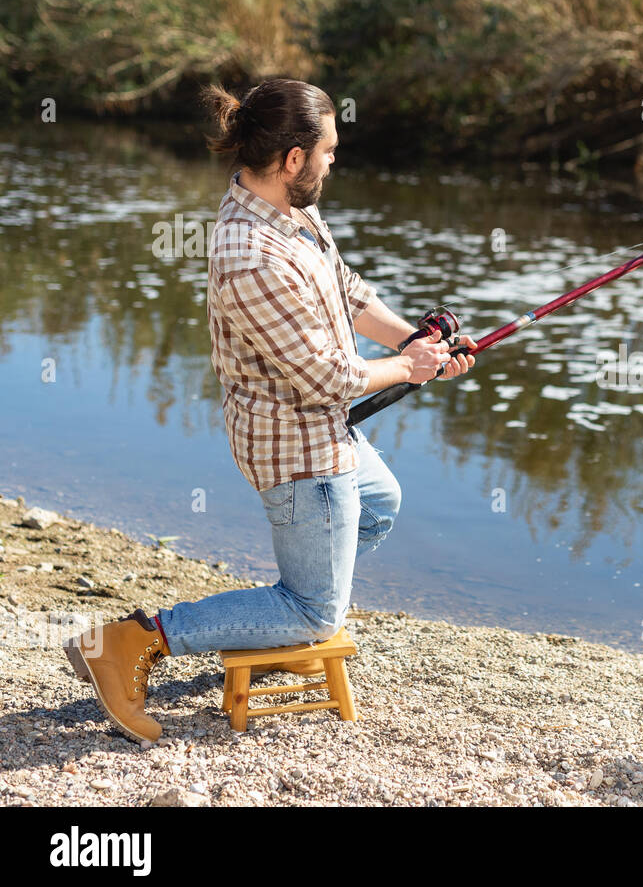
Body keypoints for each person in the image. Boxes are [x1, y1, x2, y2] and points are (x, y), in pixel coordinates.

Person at [64, 79, 475, 744]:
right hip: (298, 450)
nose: (334, 161)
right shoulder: (249, 252)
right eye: (329, 151)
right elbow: (327, 377)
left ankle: (280, 611)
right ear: (292, 159)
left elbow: (350, 293)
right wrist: (412, 370)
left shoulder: (293, 214)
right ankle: (130, 642)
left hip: (325, 435)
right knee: (316, 618)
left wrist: (412, 342)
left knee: (378, 503)